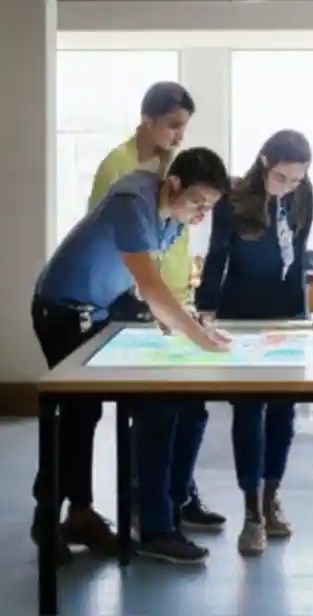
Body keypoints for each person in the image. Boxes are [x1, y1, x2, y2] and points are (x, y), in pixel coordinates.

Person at [29, 148, 231, 564]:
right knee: (77, 418)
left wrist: (186, 322)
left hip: (105, 305)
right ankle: (50, 517)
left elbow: (149, 290)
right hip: (65, 307)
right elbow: (153, 287)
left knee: (165, 401)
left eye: (209, 207)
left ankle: (109, 513)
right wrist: (197, 336)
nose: (201, 214)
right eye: (197, 202)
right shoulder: (132, 201)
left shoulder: (169, 216)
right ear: (173, 183)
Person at [88, 81, 226, 532]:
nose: (179, 135)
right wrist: (170, 315)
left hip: (167, 303)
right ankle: (149, 510)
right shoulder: (124, 172)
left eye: (184, 127)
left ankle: (174, 497)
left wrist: (185, 308)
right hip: (131, 304)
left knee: (188, 406)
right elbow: (121, 249)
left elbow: (174, 239)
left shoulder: (171, 169)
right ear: (147, 118)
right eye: (173, 125)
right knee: (154, 411)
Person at [194, 130, 313, 556]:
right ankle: (251, 513)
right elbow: (217, 256)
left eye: (297, 179)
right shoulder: (234, 199)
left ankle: (271, 497)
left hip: (288, 316)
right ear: (264, 162)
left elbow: (298, 258)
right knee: (249, 412)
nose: (289, 186)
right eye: (282, 178)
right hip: (241, 314)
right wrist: (205, 310)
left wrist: (303, 319)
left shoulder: (304, 195)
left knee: (283, 411)